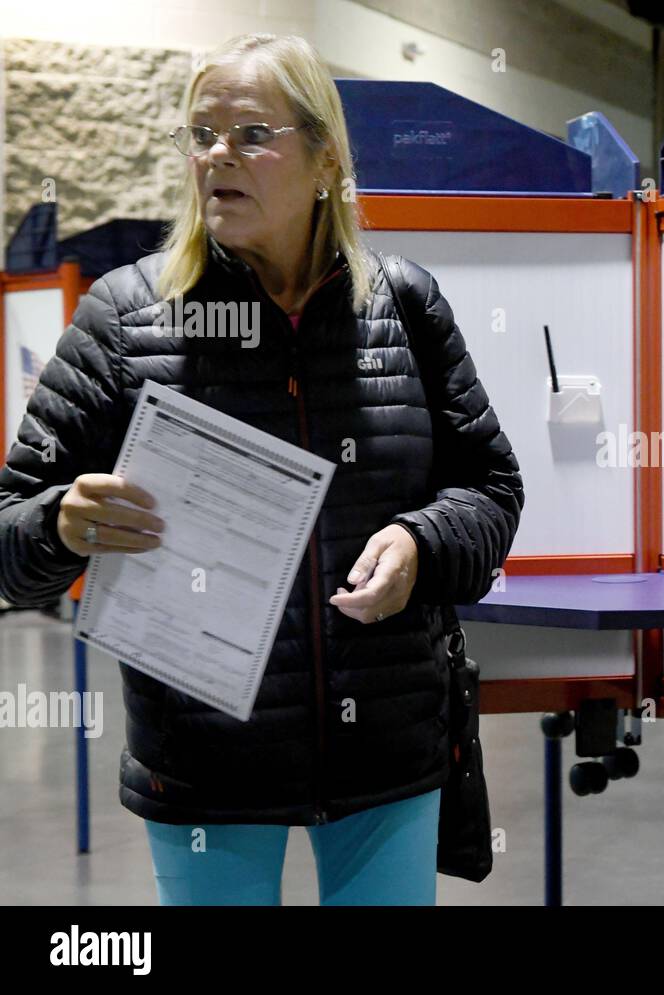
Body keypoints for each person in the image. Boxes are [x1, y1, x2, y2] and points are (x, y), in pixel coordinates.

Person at [0, 33, 524, 905]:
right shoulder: (126, 318)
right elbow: (7, 529)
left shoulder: (404, 305)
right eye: (200, 135)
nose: (216, 157)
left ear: (324, 161)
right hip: (206, 765)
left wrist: (421, 544)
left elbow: (491, 488)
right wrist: (61, 522)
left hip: (386, 752)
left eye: (250, 134)